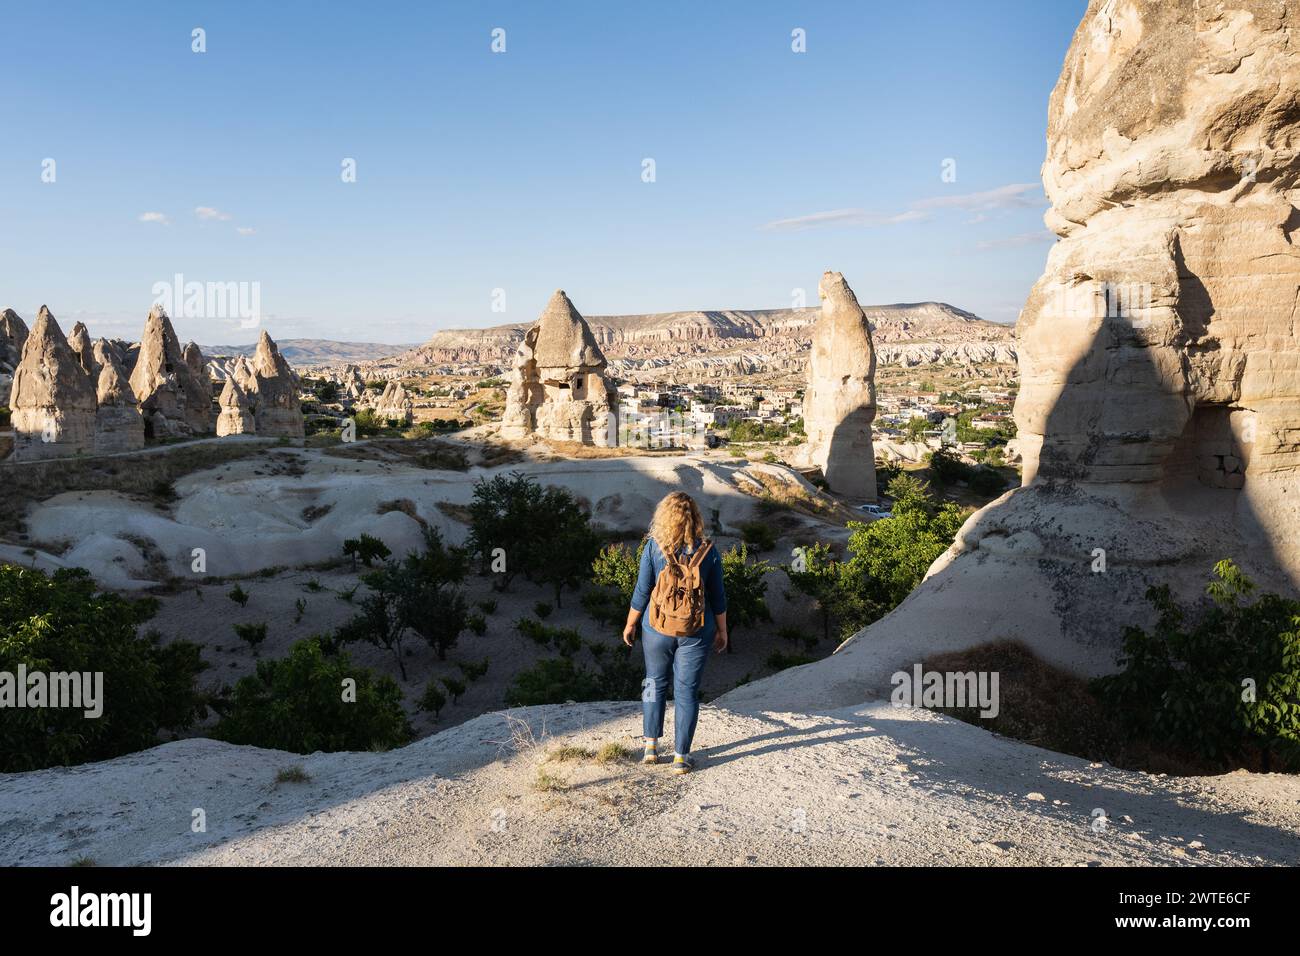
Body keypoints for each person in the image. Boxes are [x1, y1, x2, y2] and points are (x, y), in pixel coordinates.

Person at [622, 491, 728, 775]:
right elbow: (718, 597)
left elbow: (642, 591)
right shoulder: (708, 551)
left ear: (664, 516)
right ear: (696, 518)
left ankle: (651, 747)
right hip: (696, 630)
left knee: (653, 683)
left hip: (657, 628)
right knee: (686, 691)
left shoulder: (654, 547)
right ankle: (681, 757)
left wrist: (631, 623)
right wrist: (722, 630)